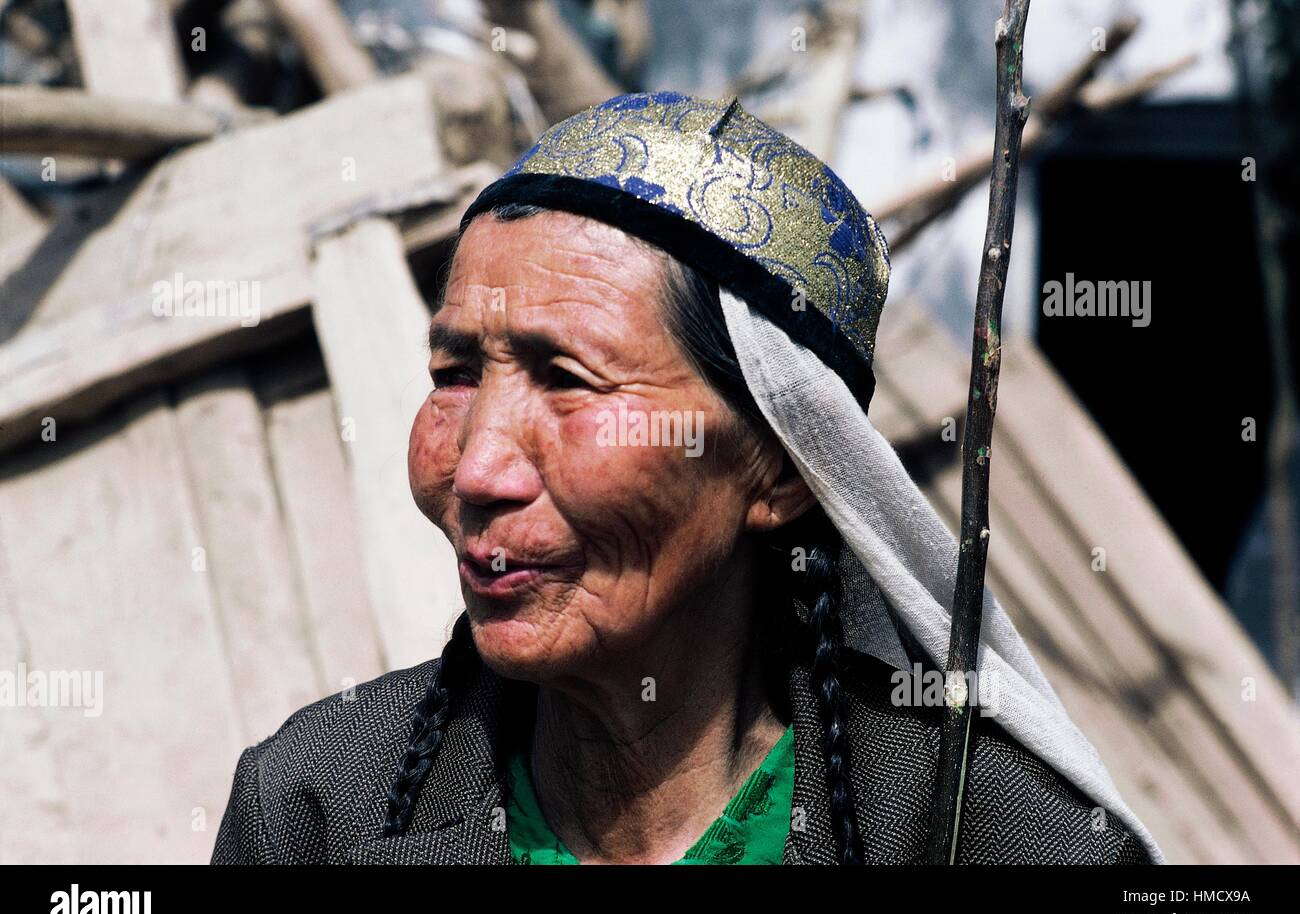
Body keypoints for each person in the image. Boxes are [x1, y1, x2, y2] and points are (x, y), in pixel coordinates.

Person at [212, 91, 1162, 865]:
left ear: (780, 467)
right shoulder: (317, 810)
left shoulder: (990, 840)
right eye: (455, 376)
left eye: (567, 380)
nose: (477, 466)